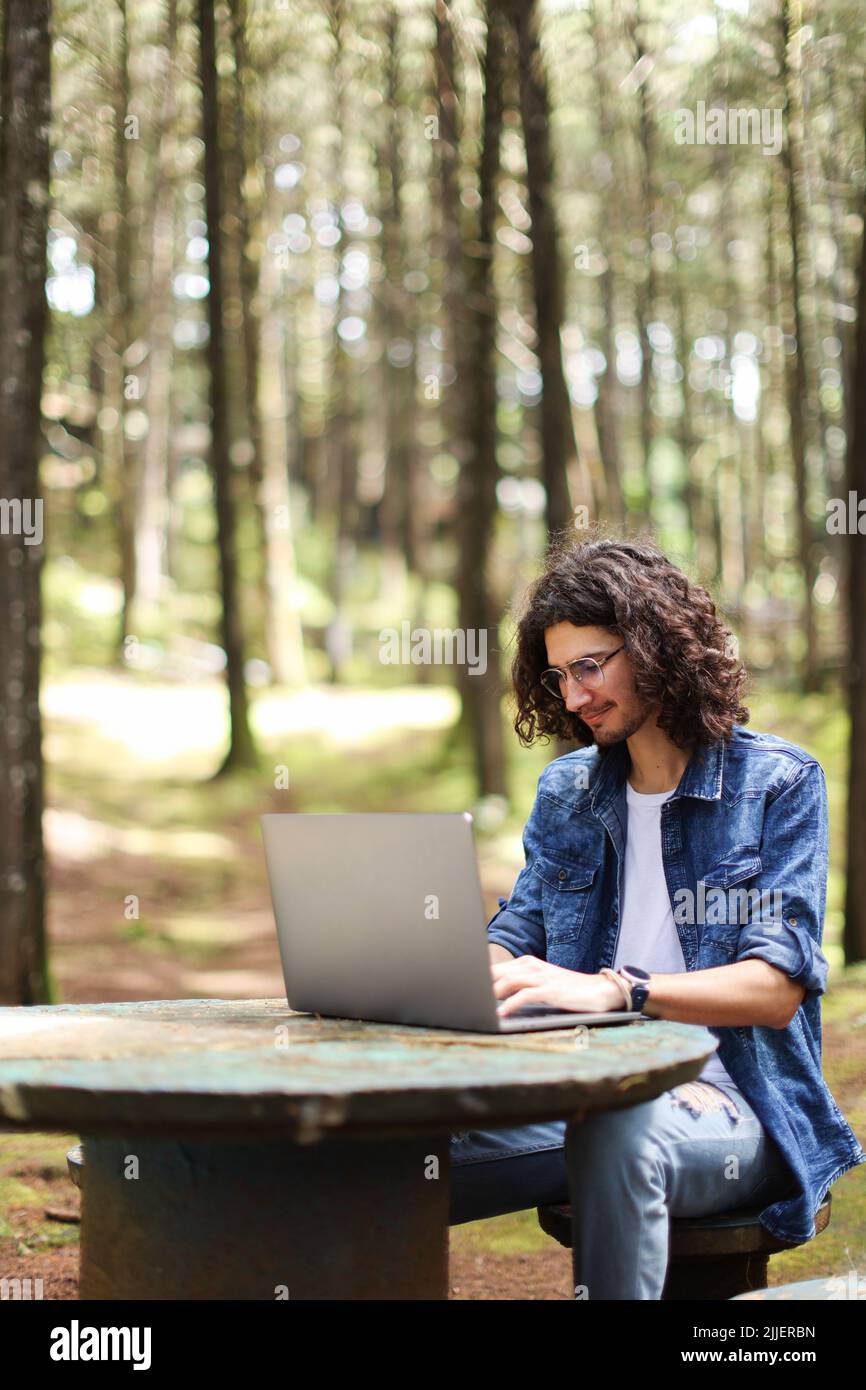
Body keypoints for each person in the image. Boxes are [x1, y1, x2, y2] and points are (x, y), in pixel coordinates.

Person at [449, 535, 866, 1299]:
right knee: (378, 1147)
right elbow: (518, 935)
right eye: (557, 675)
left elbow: (776, 990)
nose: (573, 698)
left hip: (736, 1102)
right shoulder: (569, 792)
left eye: (589, 667)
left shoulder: (776, 784)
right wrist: (450, 974)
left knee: (620, 1132)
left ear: (654, 646)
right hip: (582, 1090)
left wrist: (622, 990)